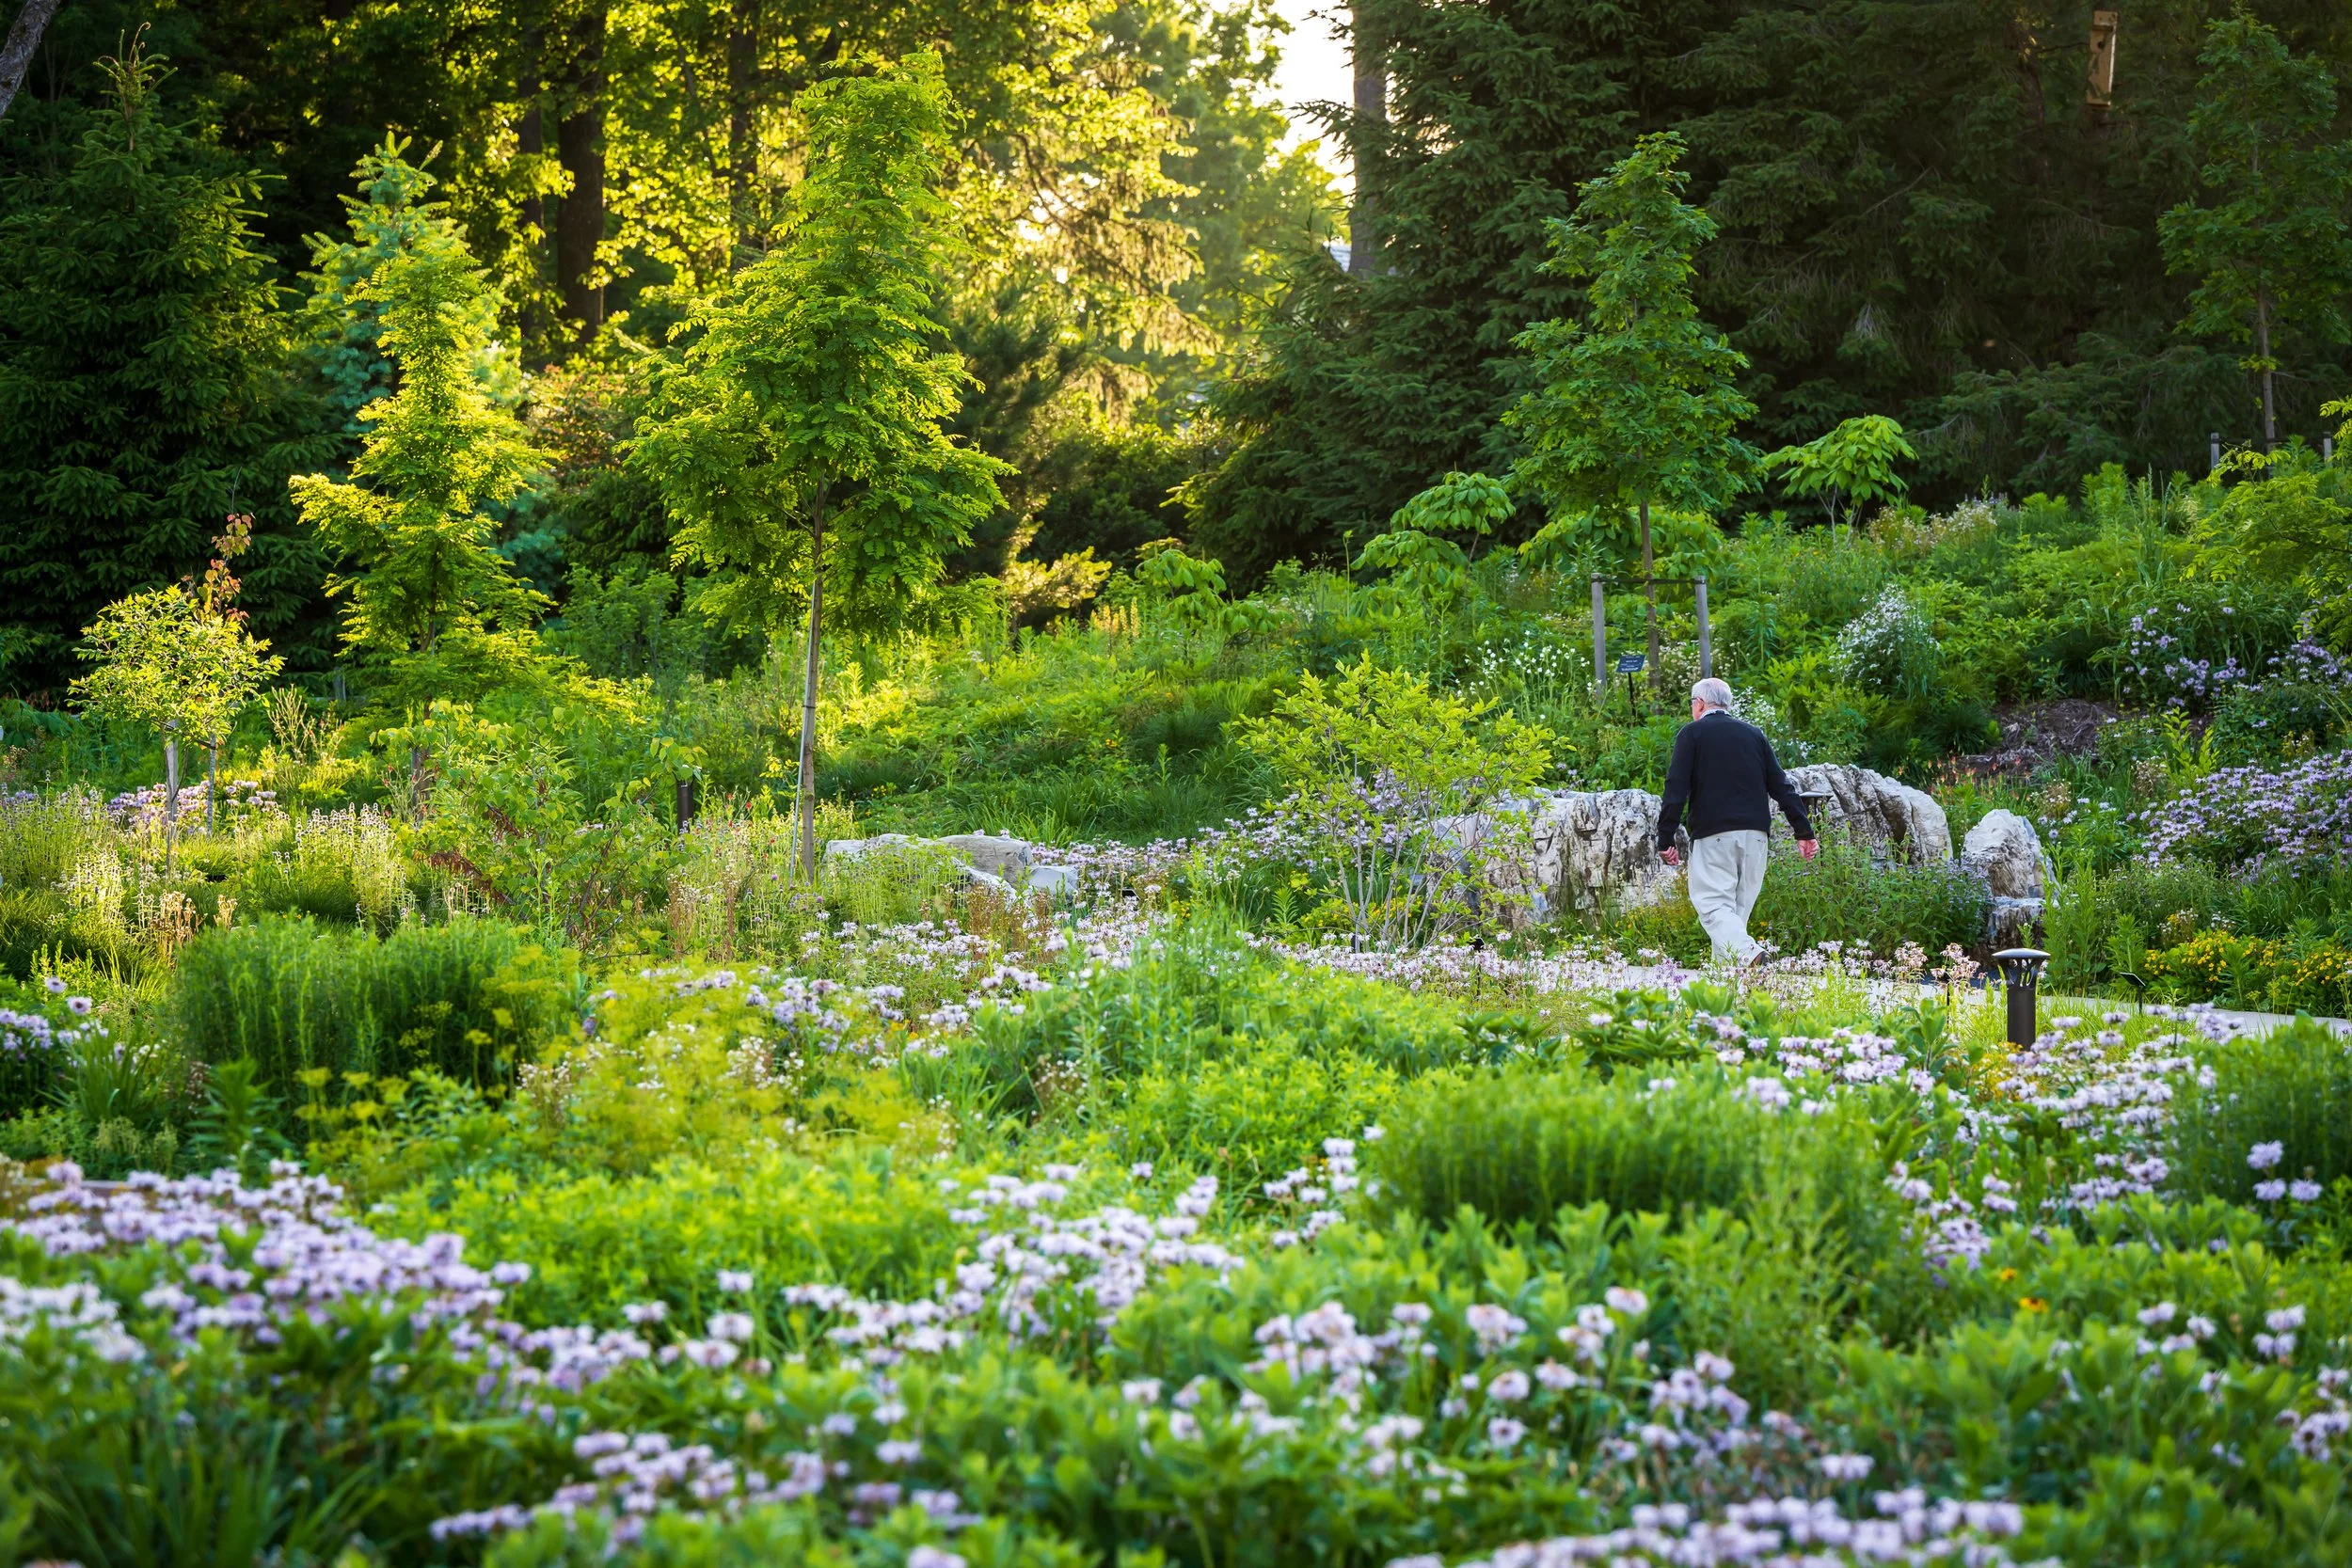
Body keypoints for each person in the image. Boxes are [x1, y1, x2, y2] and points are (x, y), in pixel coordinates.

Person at [1656, 677, 1818, 965]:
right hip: (1756, 837)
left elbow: (1675, 787)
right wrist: (1803, 830)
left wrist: (1665, 837)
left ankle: (1751, 954)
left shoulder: (1692, 734)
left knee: (1712, 907)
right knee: (1733, 921)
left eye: (1692, 703)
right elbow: (1782, 785)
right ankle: (1722, 1002)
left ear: (1700, 703)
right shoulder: (1754, 735)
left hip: (1714, 836)